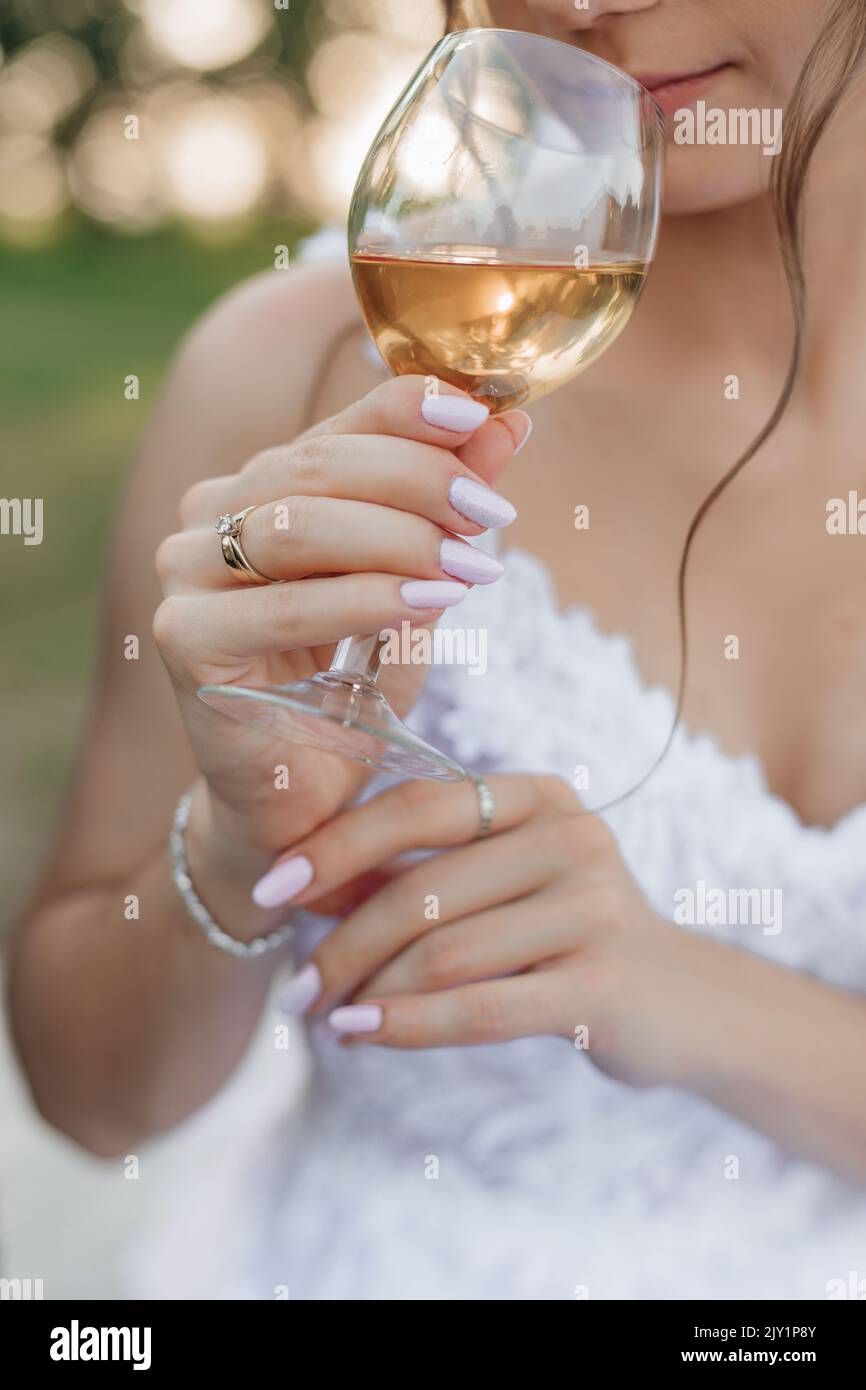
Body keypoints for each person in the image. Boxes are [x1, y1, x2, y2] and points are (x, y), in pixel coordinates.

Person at [9, 0, 866, 1299]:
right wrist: (238, 848)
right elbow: (94, 1103)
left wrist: (686, 995)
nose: (586, 2)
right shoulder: (294, 381)